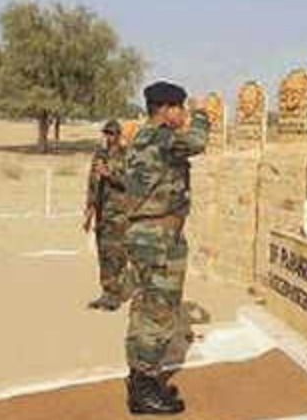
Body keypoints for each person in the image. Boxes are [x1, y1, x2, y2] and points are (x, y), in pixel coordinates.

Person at [120, 81, 209, 415]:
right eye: (181, 109)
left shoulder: (142, 137)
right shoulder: (162, 138)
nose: (184, 115)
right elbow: (198, 141)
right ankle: (144, 391)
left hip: (144, 236)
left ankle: (141, 378)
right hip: (158, 240)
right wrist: (202, 114)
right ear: (168, 109)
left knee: (143, 308)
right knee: (158, 314)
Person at [83, 119, 130, 311]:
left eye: (112, 133)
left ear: (118, 135)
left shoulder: (126, 155)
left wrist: (110, 174)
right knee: (103, 253)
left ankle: (116, 295)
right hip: (102, 212)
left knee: (116, 254)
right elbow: (92, 183)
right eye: (106, 133)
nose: (109, 137)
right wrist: (89, 208)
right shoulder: (99, 155)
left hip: (118, 213)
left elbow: (130, 182)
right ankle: (106, 292)